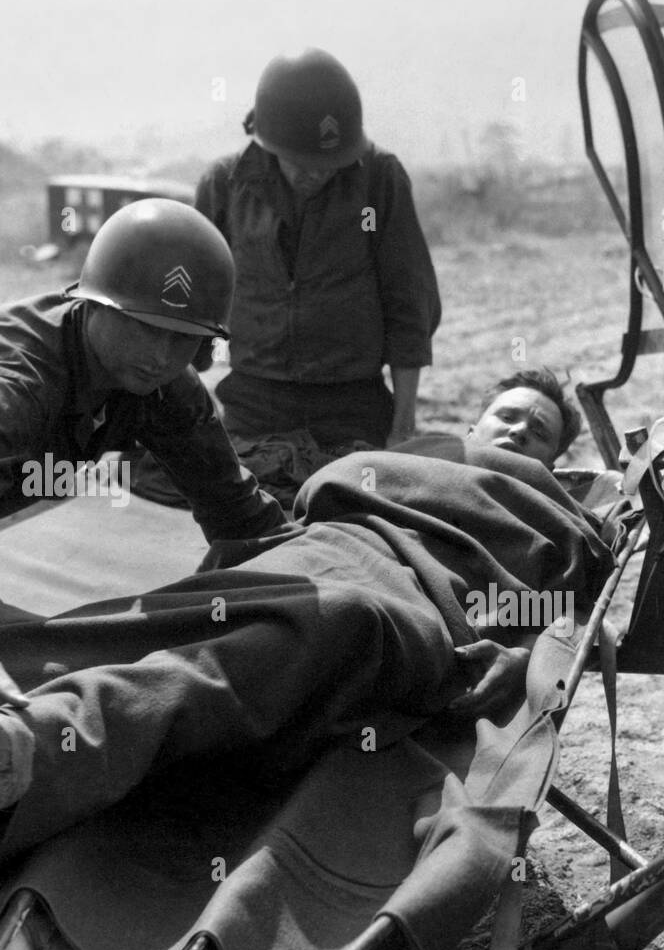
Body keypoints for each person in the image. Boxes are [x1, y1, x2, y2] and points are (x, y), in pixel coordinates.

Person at [0, 370, 602, 860]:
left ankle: (38, 748)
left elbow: (560, 614)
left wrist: (518, 655)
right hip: (320, 549)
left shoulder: (550, 507)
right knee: (156, 619)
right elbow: (320, 495)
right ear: (475, 421)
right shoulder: (419, 454)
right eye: (509, 414)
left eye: (539, 430)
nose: (519, 431)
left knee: (285, 639)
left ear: (556, 460)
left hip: (398, 604)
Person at [0, 197, 286, 706]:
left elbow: (240, 519)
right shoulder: (19, 388)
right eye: (146, 328)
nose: (160, 356)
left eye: (182, 339)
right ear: (93, 304)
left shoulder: (164, 388)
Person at [194, 48, 442, 504]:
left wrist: (403, 428)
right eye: (303, 164)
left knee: (353, 509)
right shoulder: (225, 185)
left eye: (329, 165)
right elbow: (195, 306)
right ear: (267, 145)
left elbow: (409, 305)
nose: (317, 176)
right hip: (252, 405)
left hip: (351, 408)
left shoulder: (379, 180)